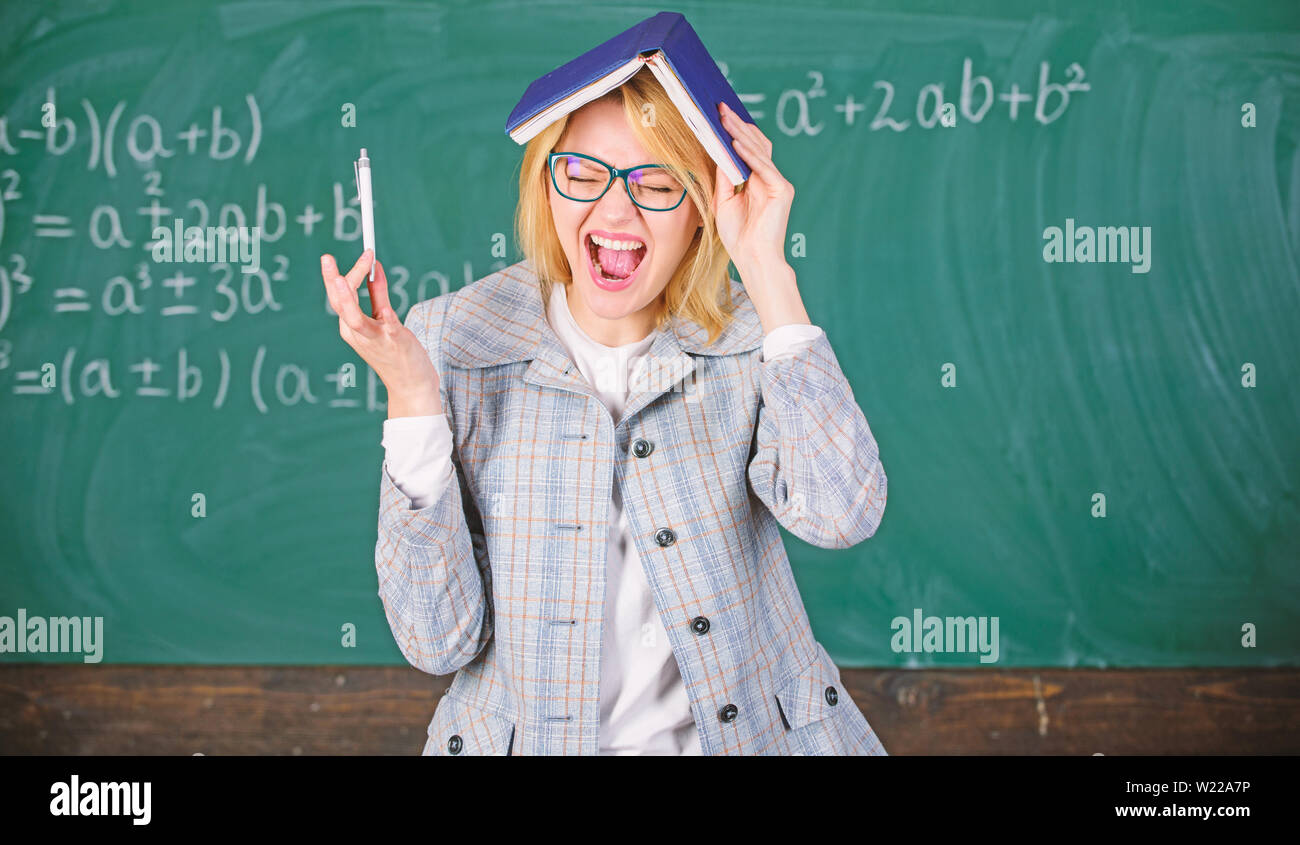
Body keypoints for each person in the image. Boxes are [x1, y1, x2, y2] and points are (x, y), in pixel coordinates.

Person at [319, 67, 888, 755]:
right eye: (584, 174)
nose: (615, 213)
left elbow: (841, 513)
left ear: (702, 206)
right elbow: (435, 640)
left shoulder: (751, 333)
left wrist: (767, 270)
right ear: (545, 185)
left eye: (657, 184)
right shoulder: (454, 337)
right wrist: (413, 397)